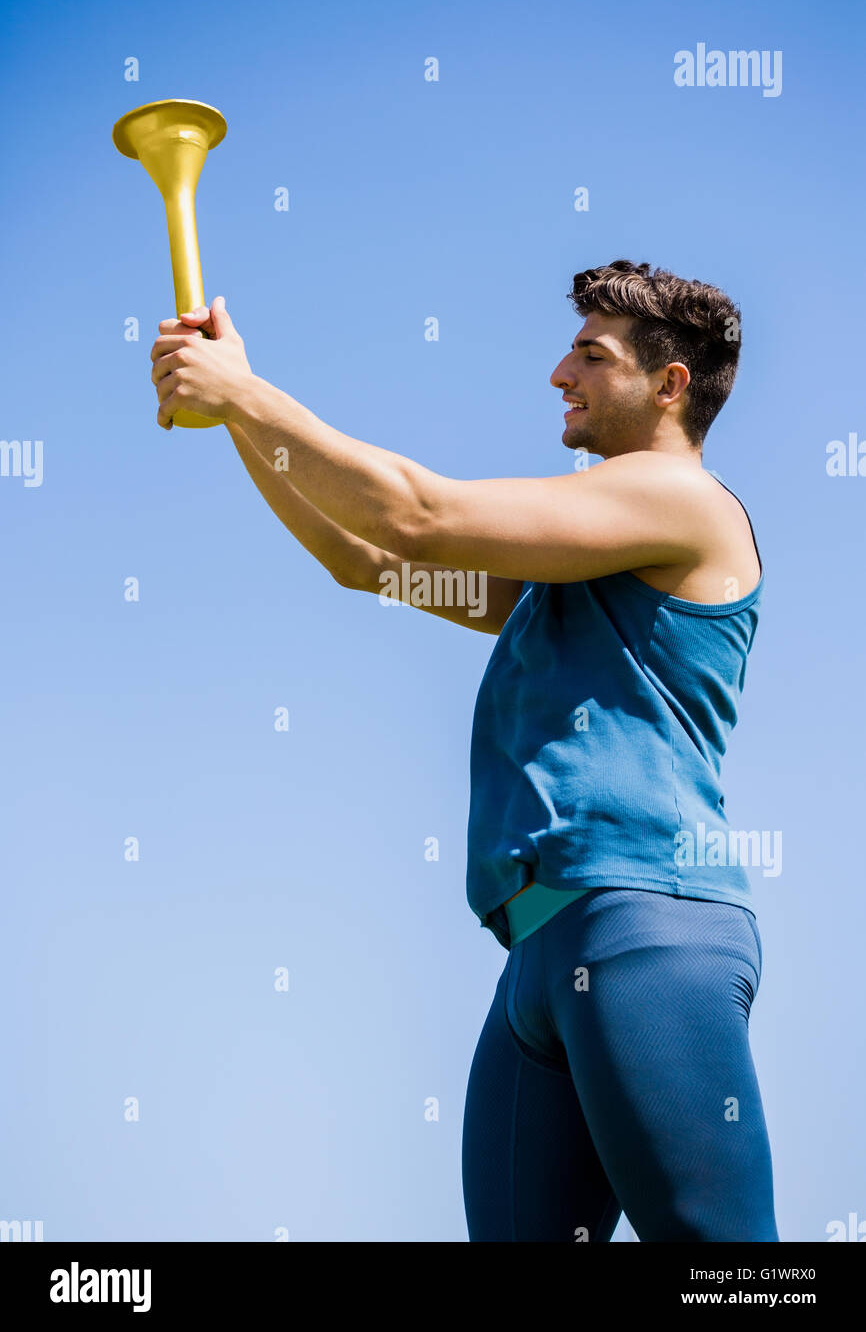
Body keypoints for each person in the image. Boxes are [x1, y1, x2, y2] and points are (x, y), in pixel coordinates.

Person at [149, 258, 779, 1243]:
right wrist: (236, 412)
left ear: (669, 385)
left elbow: (420, 514)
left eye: (589, 354)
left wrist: (248, 393)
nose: (556, 373)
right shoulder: (570, 570)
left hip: (642, 923)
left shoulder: (680, 503)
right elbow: (368, 557)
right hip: (538, 950)